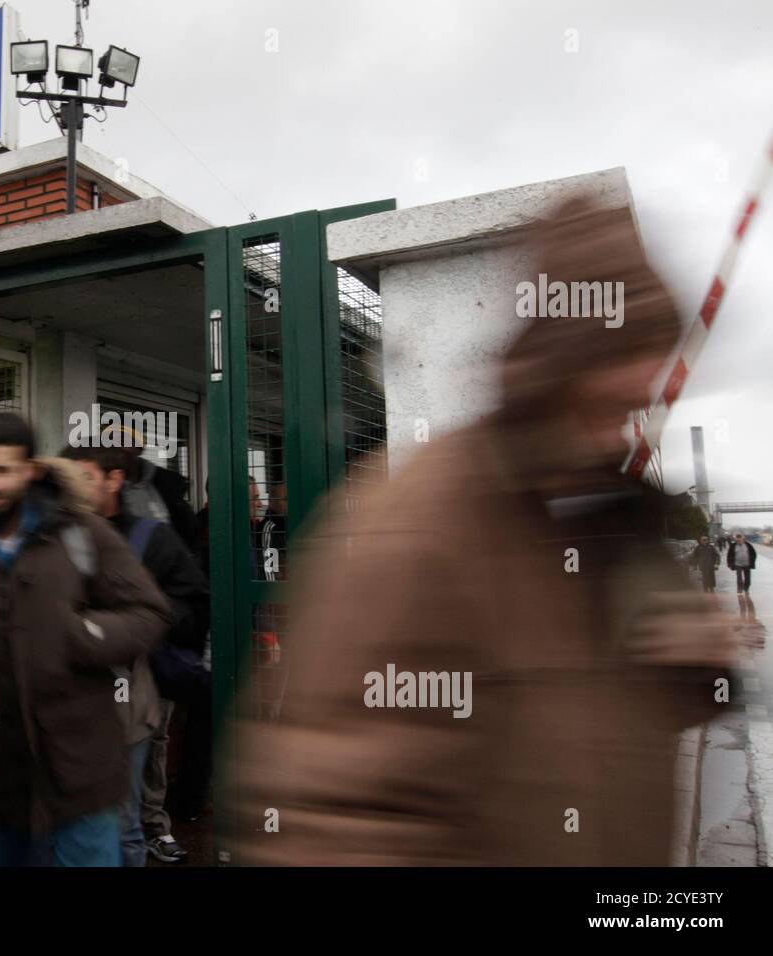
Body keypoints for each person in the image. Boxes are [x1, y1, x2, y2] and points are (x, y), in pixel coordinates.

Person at [235, 198, 737, 865]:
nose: (640, 385)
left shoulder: (616, 516)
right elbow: (331, 805)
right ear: (568, 355)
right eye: (622, 352)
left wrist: (695, 667)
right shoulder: (421, 519)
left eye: (649, 352)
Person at [0, 414, 168, 867]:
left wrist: (83, 635)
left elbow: (149, 612)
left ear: (30, 470)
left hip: (79, 772)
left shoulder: (82, 534)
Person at [63, 444, 211, 863]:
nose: (76, 488)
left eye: (86, 477)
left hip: (130, 697)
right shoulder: (53, 537)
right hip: (66, 703)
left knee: (122, 817)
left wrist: (139, 622)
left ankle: (154, 828)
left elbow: (194, 604)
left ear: (115, 480)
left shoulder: (149, 538)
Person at [728, 532, 758, 620]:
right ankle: (740, 589)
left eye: (740, 540)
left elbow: (754, 554)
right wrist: (730, 564)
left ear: (743, 539)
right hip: (738, 565)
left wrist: (752, 561)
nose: (738, 541)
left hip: (747, 564)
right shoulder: (733, 546)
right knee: (739, 578)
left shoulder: (748, 545)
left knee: (748, 579)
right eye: (737, 540)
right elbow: (729, 555)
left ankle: (746, 589)